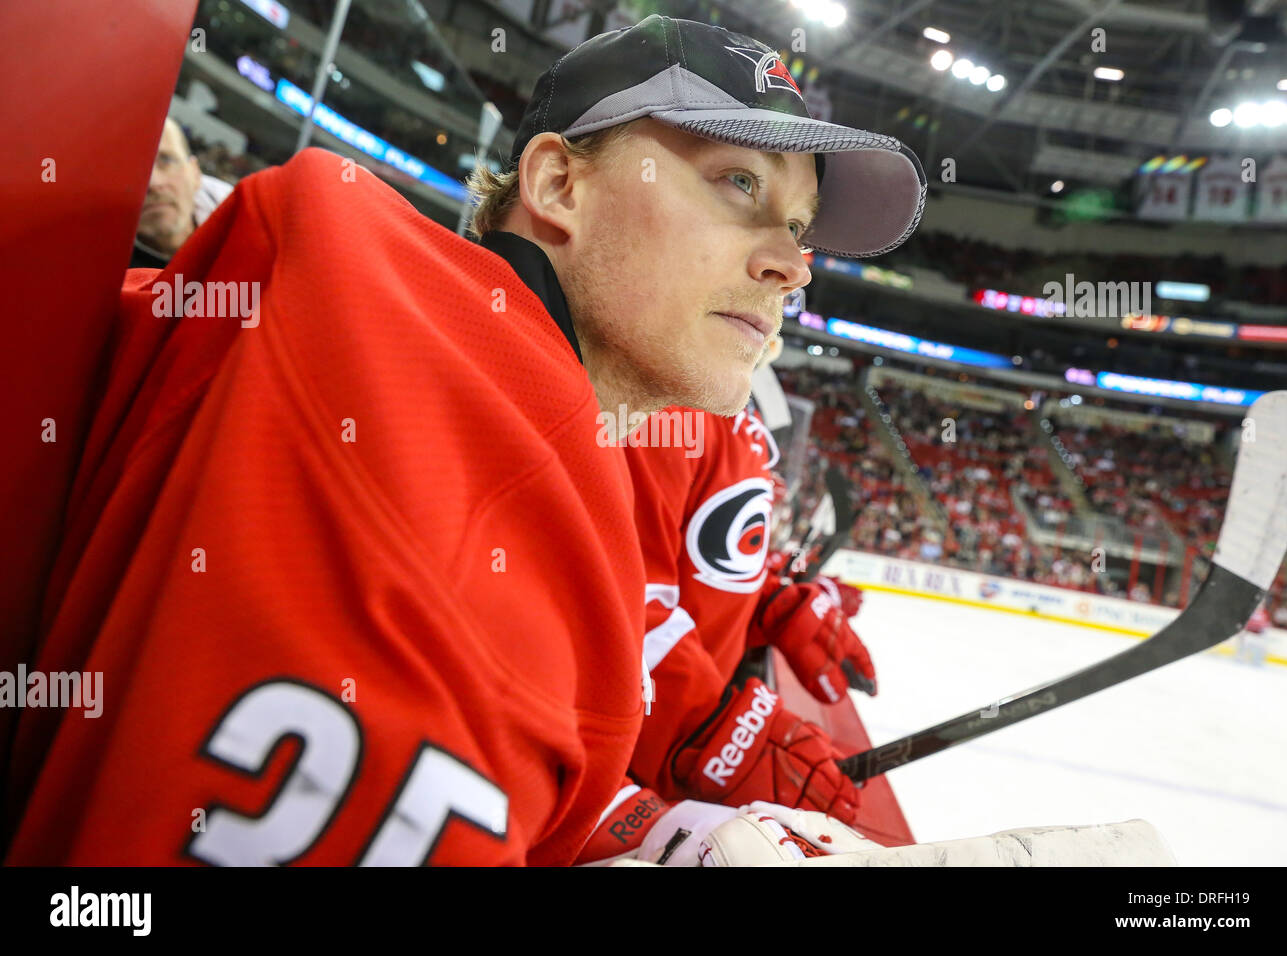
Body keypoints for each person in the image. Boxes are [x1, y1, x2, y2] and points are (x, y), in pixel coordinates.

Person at [3, 14, 923, 866]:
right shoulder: (409, 351)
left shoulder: (555, 456)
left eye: (799, 228)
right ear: (559, 184)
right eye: (739, 185)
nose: (792, 265)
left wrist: (648, 827)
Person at [617, 336, 876, 829]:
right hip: (613, 767)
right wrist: (711, 729)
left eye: (805, 253)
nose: (793, 270)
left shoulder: (724, 397)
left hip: (657, 769)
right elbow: (612, 596)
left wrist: (770, 604)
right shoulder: (652, 393)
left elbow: (695, 559)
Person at [131, 117, 234, 268]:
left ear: (195, 172)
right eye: (133, 172)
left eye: (166, 160)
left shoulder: (241, 214)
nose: (153, 183)